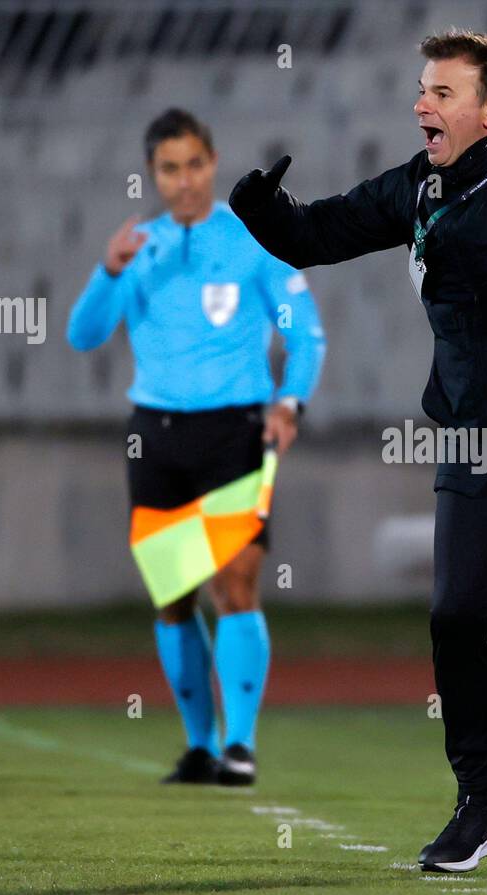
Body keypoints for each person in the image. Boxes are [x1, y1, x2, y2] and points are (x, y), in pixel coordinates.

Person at [229, 30, 487, 877]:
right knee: (455, 615)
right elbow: (323, 232)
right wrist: (262, 214)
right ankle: (479, 806)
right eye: (423, 89)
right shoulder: (421, 185)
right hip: (474, 438)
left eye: (443, 93)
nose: (424, 104)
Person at [67, 108, 325, 786]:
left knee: (234, 580)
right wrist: (106, 269)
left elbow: (306, 333)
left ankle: (240, 745)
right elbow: (84, 334)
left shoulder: (252, 241)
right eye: (169, 169)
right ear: (153, 174)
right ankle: (199, 744)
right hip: (155, 435)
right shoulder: (137, 246)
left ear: (211, 163)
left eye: (194, 165)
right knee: (173, 596)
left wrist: (290, 401)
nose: (184, 180)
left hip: (236, 429)